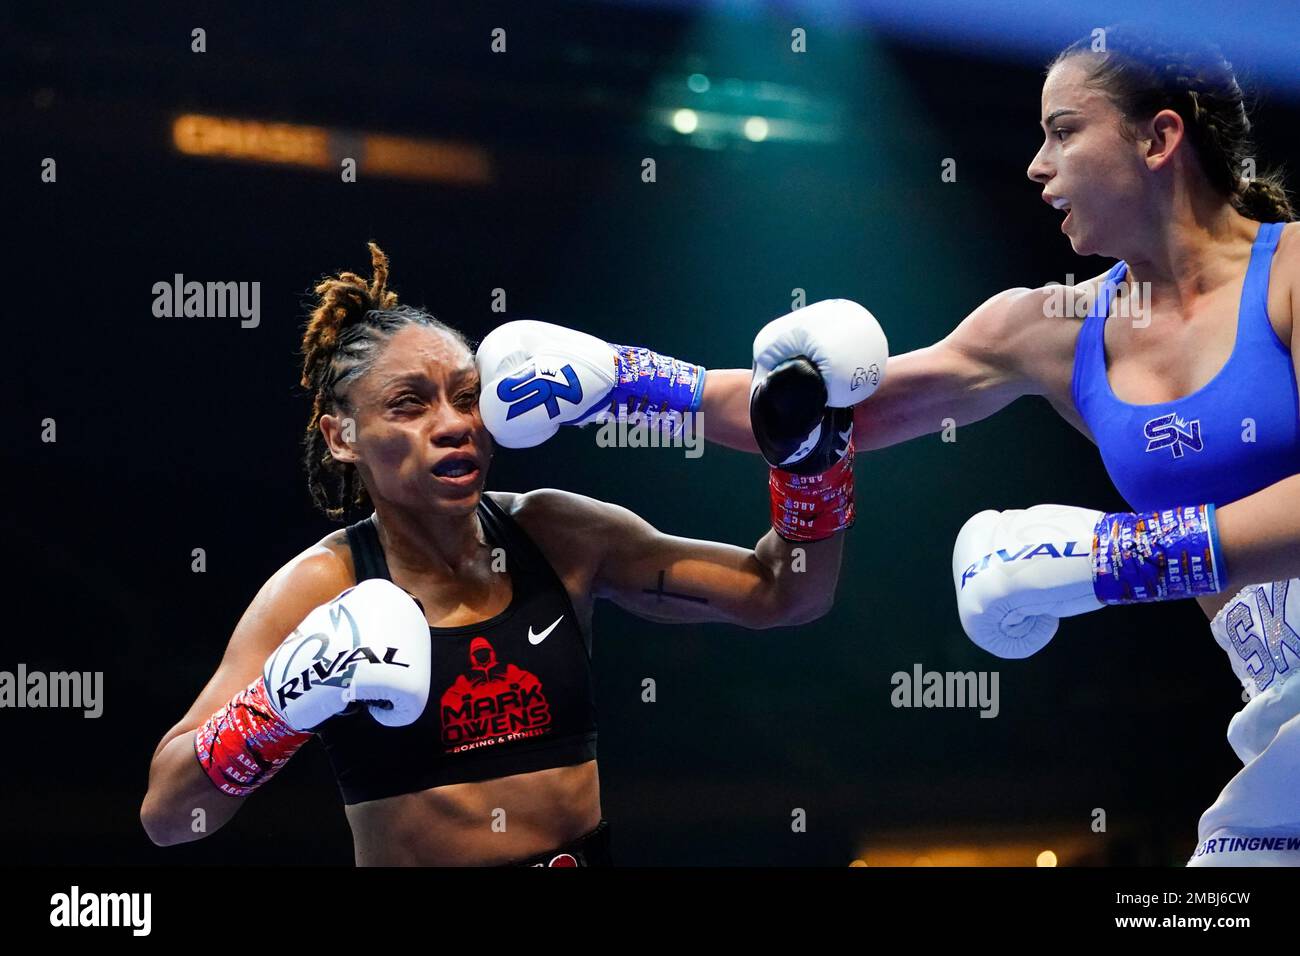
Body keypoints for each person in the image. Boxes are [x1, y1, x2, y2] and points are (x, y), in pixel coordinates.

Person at [518, 26, 1300, 865]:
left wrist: (1114, 560)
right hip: (1275, 711)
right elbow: (808, 415)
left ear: (1159, 137)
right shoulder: (1050, 328)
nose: (1037, 165)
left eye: (1064, 131)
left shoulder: (1291, 272)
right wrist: (621, 379)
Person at [139, 243, 887, 866]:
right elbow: (169, 817)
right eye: (410, 403)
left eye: (467, 397)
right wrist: (277, 707)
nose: (453, 424)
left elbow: (786, 594)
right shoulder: (322, 585)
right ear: (343, 437)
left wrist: (811, 466)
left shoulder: (558, 535)